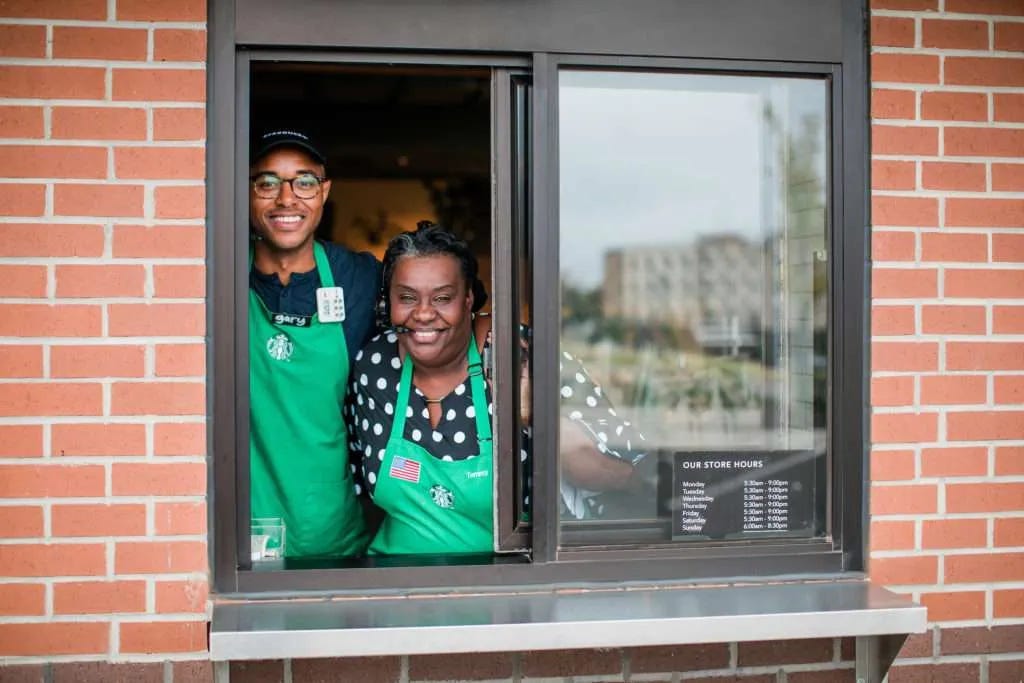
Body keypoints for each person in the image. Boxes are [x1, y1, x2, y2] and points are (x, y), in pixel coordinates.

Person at [346, 222, 645, 556]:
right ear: (388, 304)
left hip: (502, 589)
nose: (424, 313)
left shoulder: (526, 357)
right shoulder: (374, 365)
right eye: (406, 298)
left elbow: (631, 480)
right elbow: (358, 487)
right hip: (396, 583)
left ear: (469, 299)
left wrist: (533, 417)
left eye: (443, 298)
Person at [248, 129, 380, 559]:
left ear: (324, 191)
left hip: (330, 519)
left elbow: (438, 306)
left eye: (303, 182)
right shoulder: (217, 270)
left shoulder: (359, 277)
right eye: (268, 183)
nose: (287, 199)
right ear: (247, 192)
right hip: (241, 516)